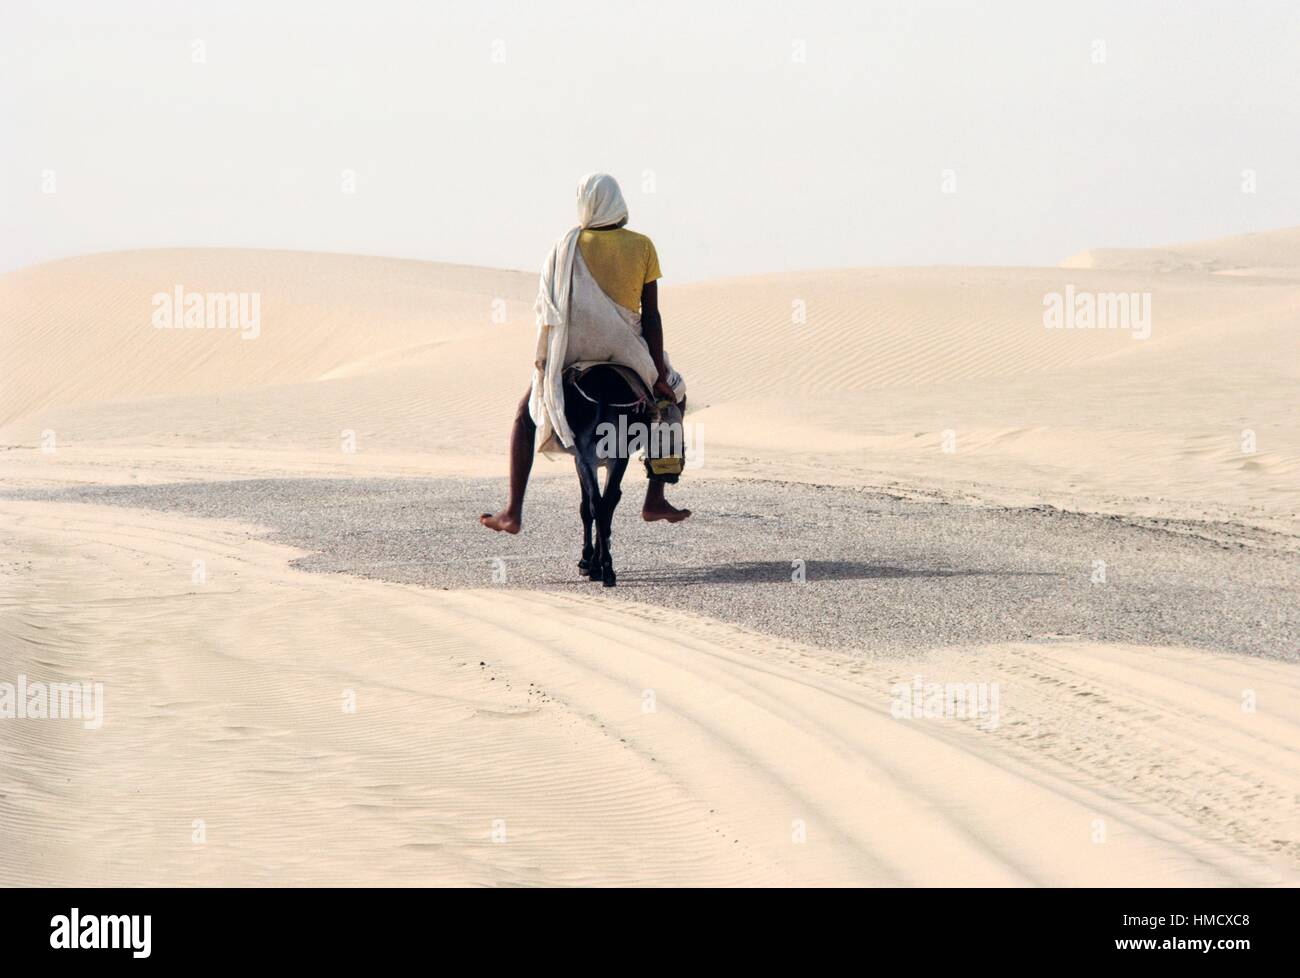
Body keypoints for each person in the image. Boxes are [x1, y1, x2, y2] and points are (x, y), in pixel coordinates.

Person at [480, 173, 689, 534]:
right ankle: (655, 497)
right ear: (619, 203)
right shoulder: (642, 246)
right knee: (675, 399)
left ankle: (513, 511)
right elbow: (651, 315)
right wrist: (656, 374)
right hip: (628, 352)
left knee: (524, 414)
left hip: (574, 352)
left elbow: (549, 310)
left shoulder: (566, 247)